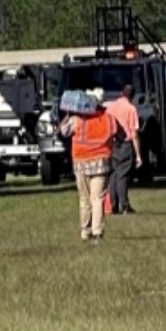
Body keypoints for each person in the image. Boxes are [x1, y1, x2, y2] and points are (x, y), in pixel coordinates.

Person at [60, 89, 116, 241]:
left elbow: (63, 132)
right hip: (102, 163)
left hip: (81, 163)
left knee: (84, 200)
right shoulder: (109, 118)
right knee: (97, 198)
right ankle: (98, 231)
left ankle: (85, 231)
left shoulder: (77, 120)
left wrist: (67, 115)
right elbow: (118, 134)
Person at [104, 84, 141, 215]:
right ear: (132, 96)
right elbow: (134, 134)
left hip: (112, 143)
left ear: (121, 93)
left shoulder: (110, 107)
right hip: (125, 144)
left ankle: (113, 204)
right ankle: (124, 205)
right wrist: (138, 155)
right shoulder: (131, 109)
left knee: (113, 174)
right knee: (123, 175)